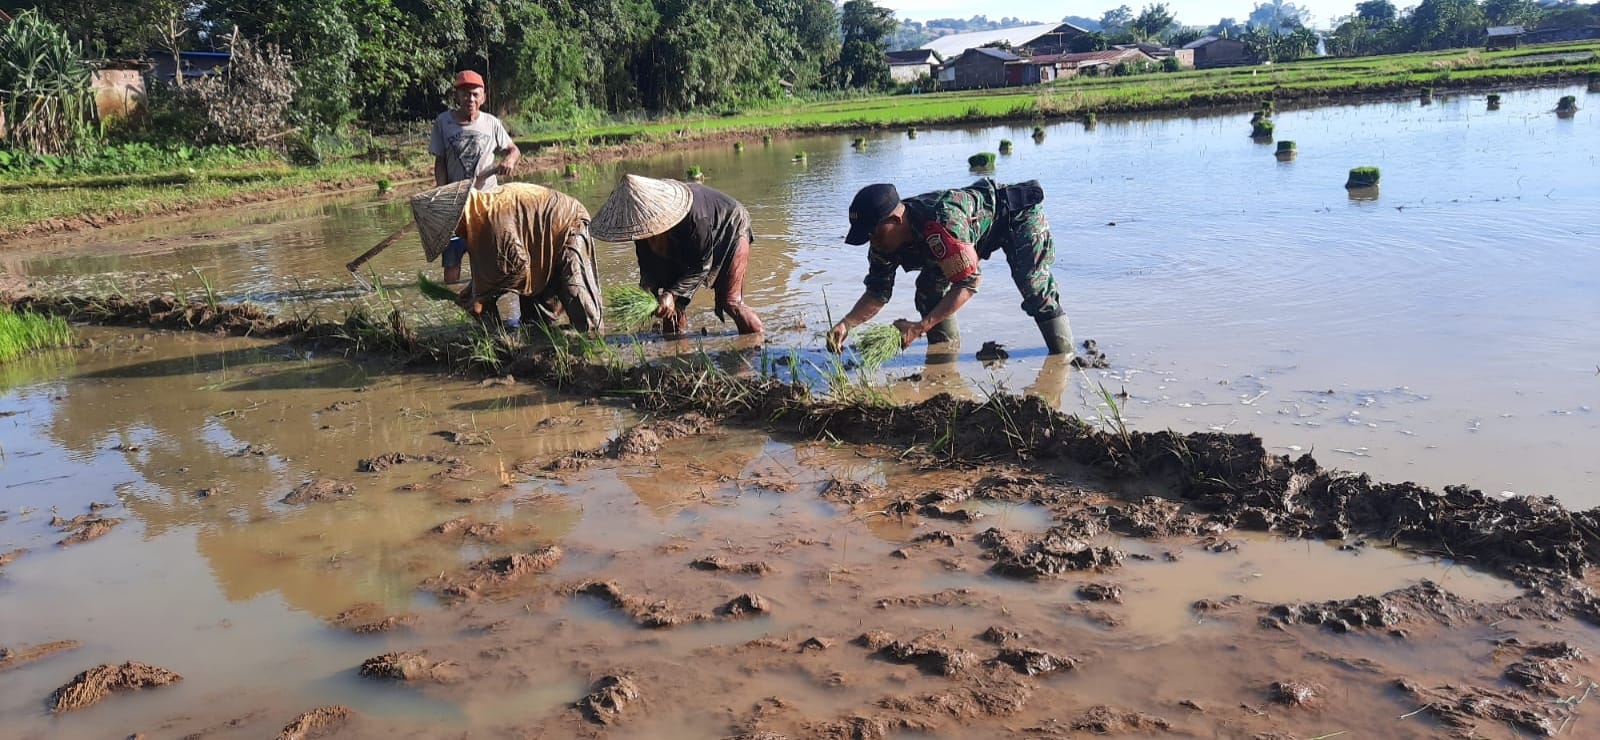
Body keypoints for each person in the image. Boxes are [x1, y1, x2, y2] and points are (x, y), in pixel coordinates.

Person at [826, 178, 1073, 356]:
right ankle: (945, 358)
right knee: (928, 290)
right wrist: (846, 324)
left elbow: (970, 283)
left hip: (1016, 218)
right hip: (965, 236)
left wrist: (919, 327)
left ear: (894, 220)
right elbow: (877, 292)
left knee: (1033, 286)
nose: (873, 241)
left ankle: (1064, 356)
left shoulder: (941, 222)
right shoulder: (883, 243)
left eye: (874, 233)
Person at [411, 180, 603, 333]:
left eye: (451, 228)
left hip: (568, 225)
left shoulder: (492, 220)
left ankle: (596, 350)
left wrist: (482, 296)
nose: (454, 232)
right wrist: (474, 294)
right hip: (537, 246)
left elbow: (518, 267)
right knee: (536, 325)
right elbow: (492, 272)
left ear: (458, 215)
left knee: (579, 305)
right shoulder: (477, 222)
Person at [590, 174, 763, 335]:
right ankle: (675, 352)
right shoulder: (640, 228)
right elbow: (648, 265)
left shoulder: (694, 219)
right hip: (694, 241)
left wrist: (672, 294)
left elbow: (702, 266)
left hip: (730, 226)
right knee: (673, 306)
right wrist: (647, 288)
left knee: (730, 301)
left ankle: (757, 344)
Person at [428, 70, 521, 285]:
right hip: (456, 204)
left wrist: (509, 160)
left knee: (495, 259)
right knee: (452, 261)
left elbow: (513, 149)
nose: (470, 98)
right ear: (457, 96)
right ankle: (452, 304)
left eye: (475, 94)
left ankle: (490, 302)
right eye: (465, 94)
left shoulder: (491, 123)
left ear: (483, 97)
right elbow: (440, 162)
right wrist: (442, 194)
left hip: (487, 203)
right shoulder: (443, 123)